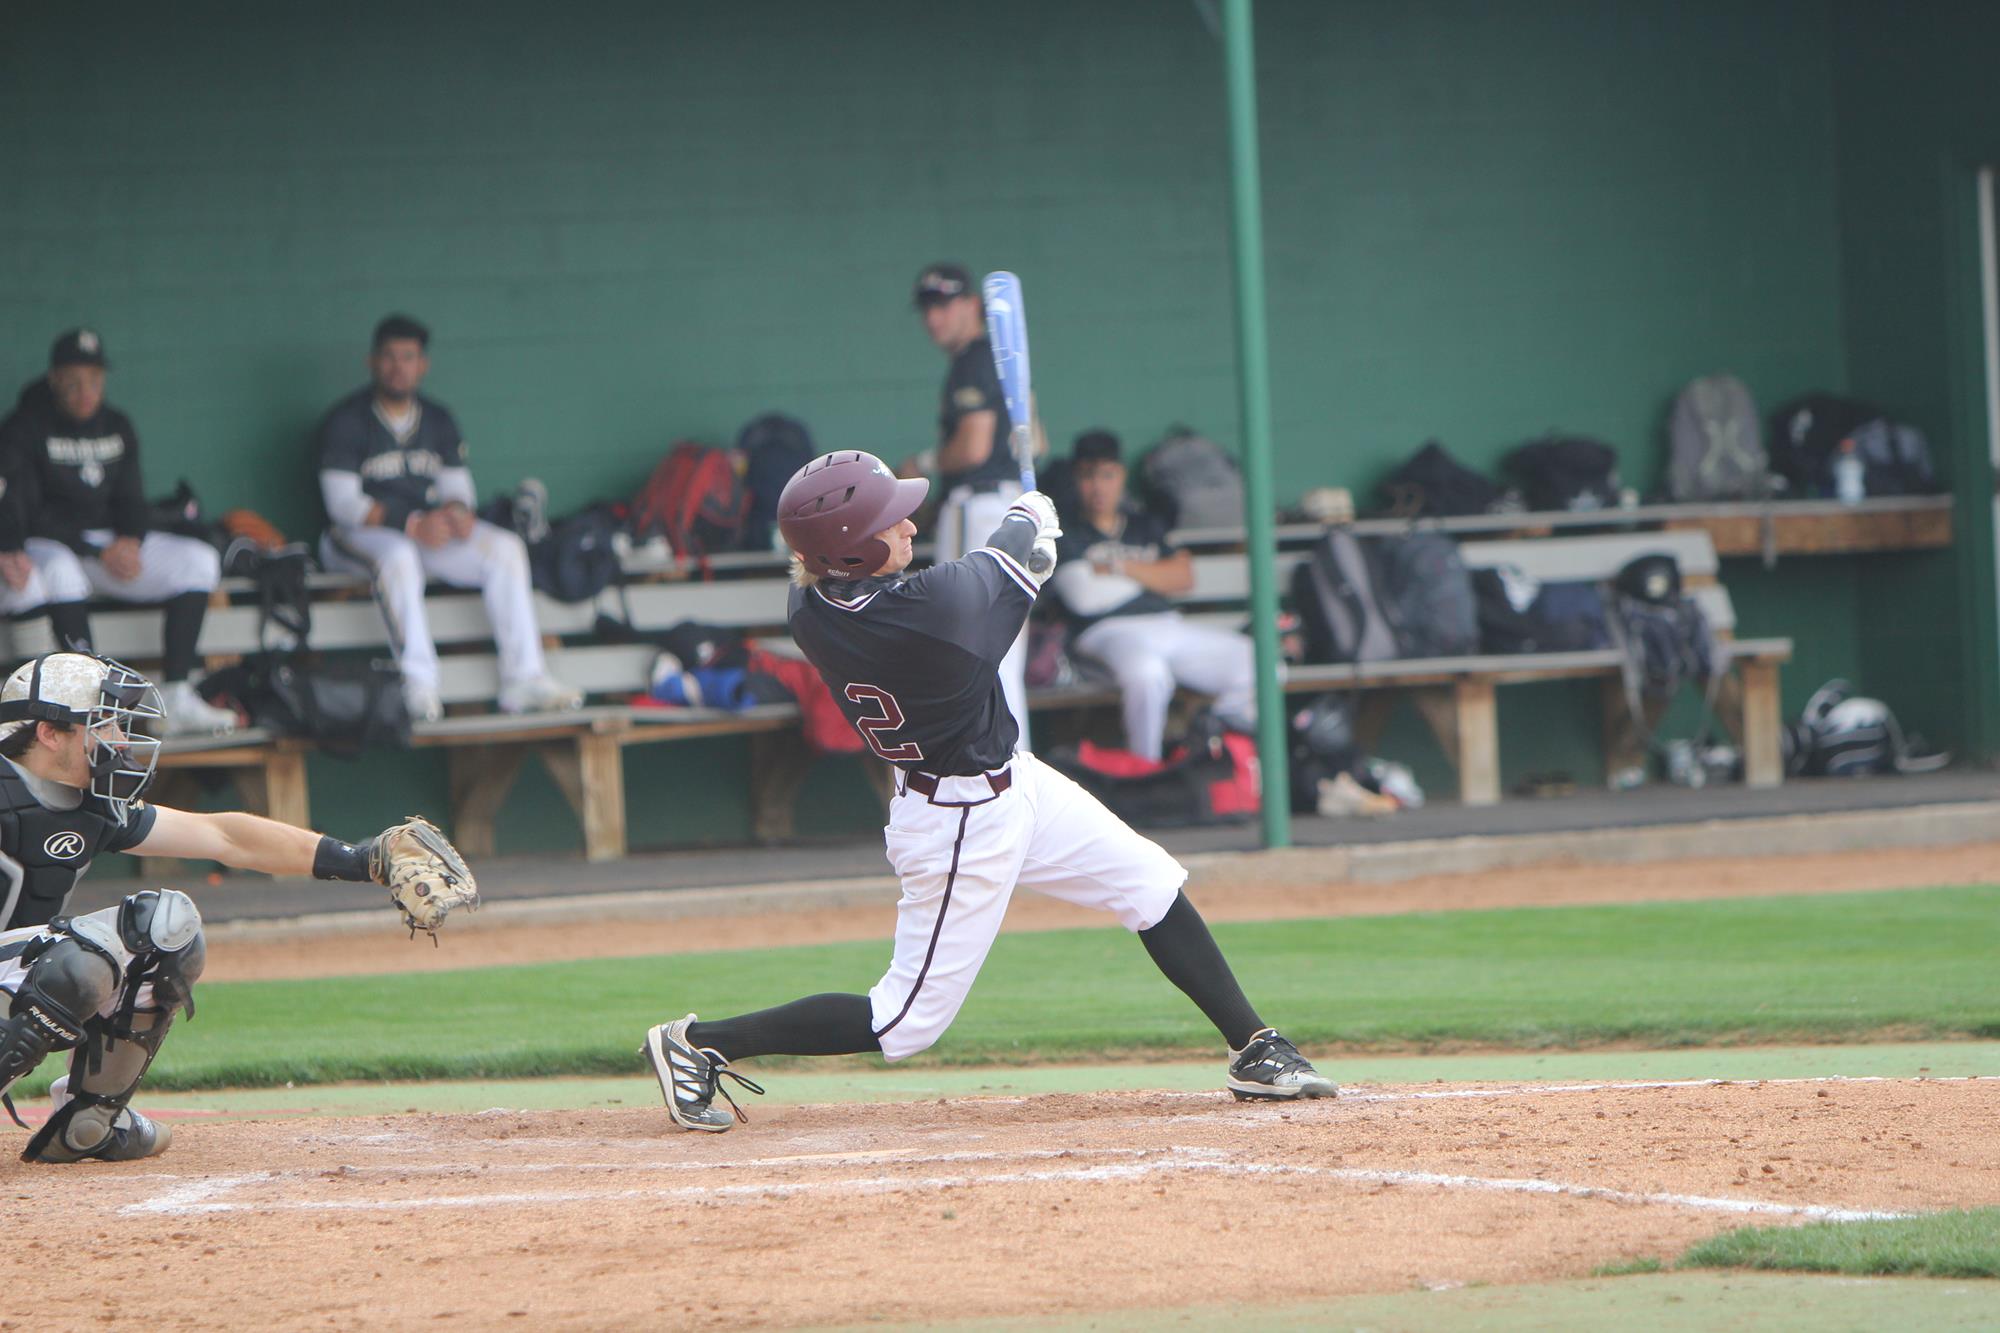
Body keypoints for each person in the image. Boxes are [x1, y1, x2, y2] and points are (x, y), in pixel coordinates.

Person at [642, 451, 1333, 1133]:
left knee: (1149, 881)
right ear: (848, 551)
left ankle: (1255, 1046)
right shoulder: (923, 611)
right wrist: (1032, 514)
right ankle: (701, 1041)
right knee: (901, 1022)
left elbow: (1000, 569)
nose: (910, 527)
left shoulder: (812, 600)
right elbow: (1012, 558)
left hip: (1013, 780)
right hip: (958, 820)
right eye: (891, 521)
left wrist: (1026, 533)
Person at [0, 651, 472, 1163]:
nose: (118, 738)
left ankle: (88, 1122)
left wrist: (362, 860)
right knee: (76, 962)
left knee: (164, 928)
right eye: (103, 723)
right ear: (50, 733)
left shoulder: (89, 804)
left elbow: (224, 835)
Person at [314, 314, 580, 722]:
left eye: (408, 357)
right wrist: (410, 523)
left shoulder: (438, 419)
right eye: (389, 357)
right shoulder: (346, 420)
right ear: (372, 362)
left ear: (423, 365)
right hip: (354, 537)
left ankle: (524, 678)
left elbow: (459, 490)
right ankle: (417, 684)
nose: (398, 366)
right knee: (399, 554)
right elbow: (343, 504)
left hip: (424, 532)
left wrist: (458, 515)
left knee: (504, 548)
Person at [0, 330, 238, 736]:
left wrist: (130, 539)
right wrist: (95, 549)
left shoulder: (117, 425)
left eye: (94, 380)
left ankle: (177, 694)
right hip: (60, 546)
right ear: (55, 379)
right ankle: (91, 705)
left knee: (198, 560)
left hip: (108, 549)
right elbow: (29, 511)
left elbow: (132, 499)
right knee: (60, 570)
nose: (85, 391)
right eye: (73, 381)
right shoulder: (26, 427)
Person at [1049, 429, 1257, 761]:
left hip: (1166, 624)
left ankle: (1213, 744)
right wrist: (1151, 574)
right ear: (1077, 479)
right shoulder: (1065, 530)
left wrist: (1116, 567)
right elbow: (1084, 597)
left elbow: (1182, 577)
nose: (1099, 486)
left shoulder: (1143, 524)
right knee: (1148, 673)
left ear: (1121, 477)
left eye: (1107, 475)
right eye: (1089, 476)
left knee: (1254, 659)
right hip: (1106, 633)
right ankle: (1147, 767)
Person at [900, 263, 1033, 747]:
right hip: (1011, 511)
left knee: (976, 651)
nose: (934, 318)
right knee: (998, 650)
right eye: (928, 309)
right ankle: (1014, 772)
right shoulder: (1001, 358)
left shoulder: (974, 360)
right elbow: (1034, 438)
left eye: (944, 305)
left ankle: (1004, 772)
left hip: (981, 512)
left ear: (971, 304)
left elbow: (974, 448)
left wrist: (922, 461)